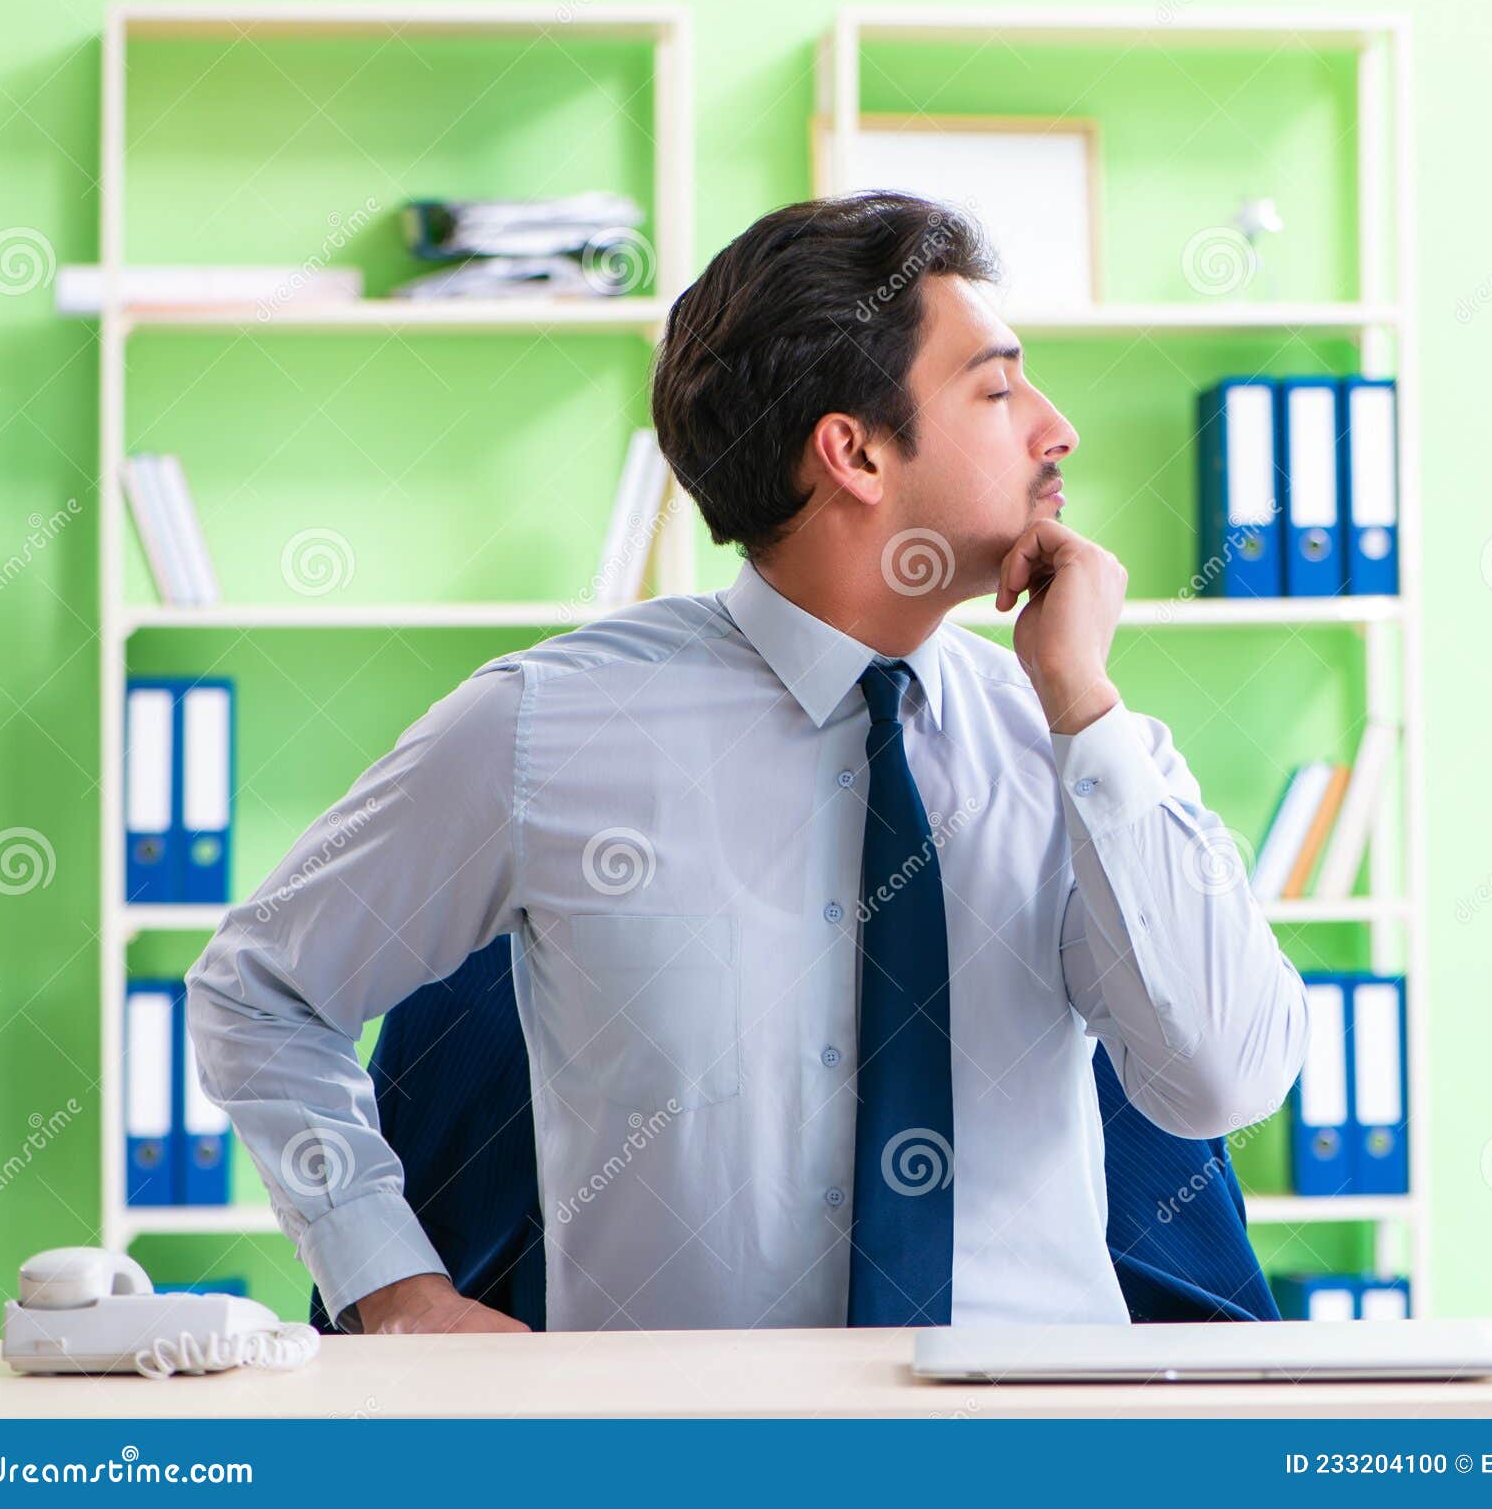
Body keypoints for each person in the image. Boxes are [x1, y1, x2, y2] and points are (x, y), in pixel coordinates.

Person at [185, 192, 1308, 1337]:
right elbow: (261, 988)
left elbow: (1224, 1079)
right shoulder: (541, 727)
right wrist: (394, 1288)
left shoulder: (1074, 739)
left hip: (1028, 1443)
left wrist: (1082, 705)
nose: (1055, 427)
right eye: (998, 388)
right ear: (854, 451)